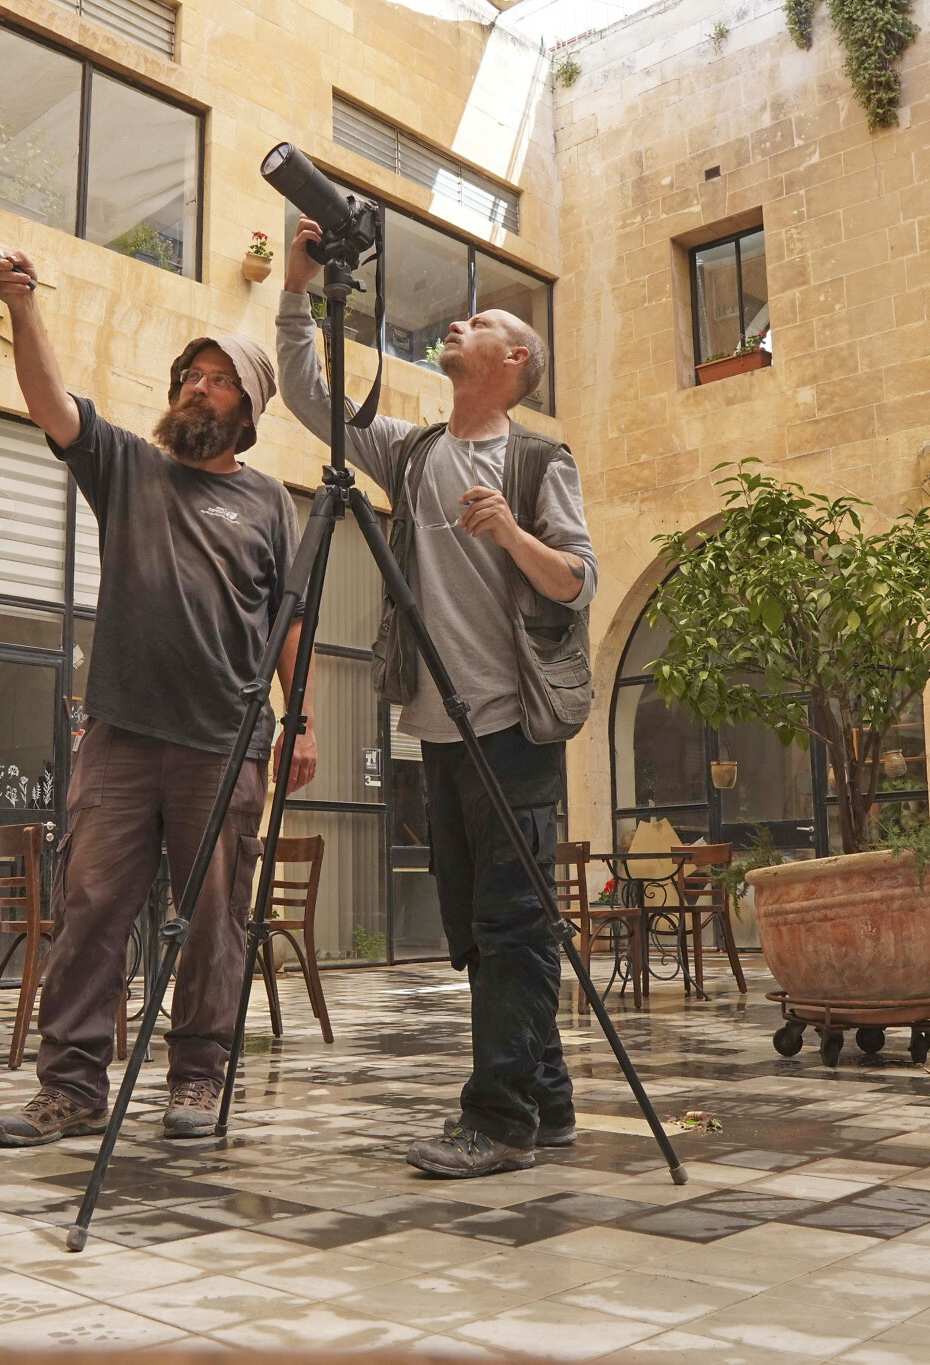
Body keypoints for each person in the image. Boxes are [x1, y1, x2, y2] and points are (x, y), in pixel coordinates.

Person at [276, 218, 597, 1177]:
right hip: (439, 731)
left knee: (512, 922)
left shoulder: (541, 463)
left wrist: (509, 534)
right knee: (479, 925)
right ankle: (550, 1098)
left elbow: (576, 583)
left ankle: (499, 1121)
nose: (458, 323)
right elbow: (309, 396)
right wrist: (297, 286)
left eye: (481, 320)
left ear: (514, 359)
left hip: (514, 727)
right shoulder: (410, 455)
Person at [0, 249, 317, 1147]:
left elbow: (288, 622)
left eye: (217, 383)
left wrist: (302, 719)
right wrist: (22, 306)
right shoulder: (128, 468)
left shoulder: (272, 505)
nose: (197, 389)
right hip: (122, 738)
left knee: (213, 920)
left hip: (226, 742)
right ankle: (72, 1085)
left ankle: (200, 1080)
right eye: (190, 377)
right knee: (91, 907)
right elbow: (52, 404)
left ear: (247, 410)